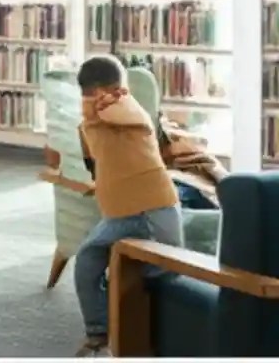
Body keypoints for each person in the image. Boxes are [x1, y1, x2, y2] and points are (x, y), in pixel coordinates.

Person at [72, 54, 182, 357]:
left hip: (151, 211)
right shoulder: (93, 122)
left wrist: (109, 97)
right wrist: (92, 103)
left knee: (150, 278)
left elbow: (116, 113)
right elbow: (95, 130)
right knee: (87, 263)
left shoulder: (130, 110)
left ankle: (121, 332)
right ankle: (99, 331)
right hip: (124, 214)